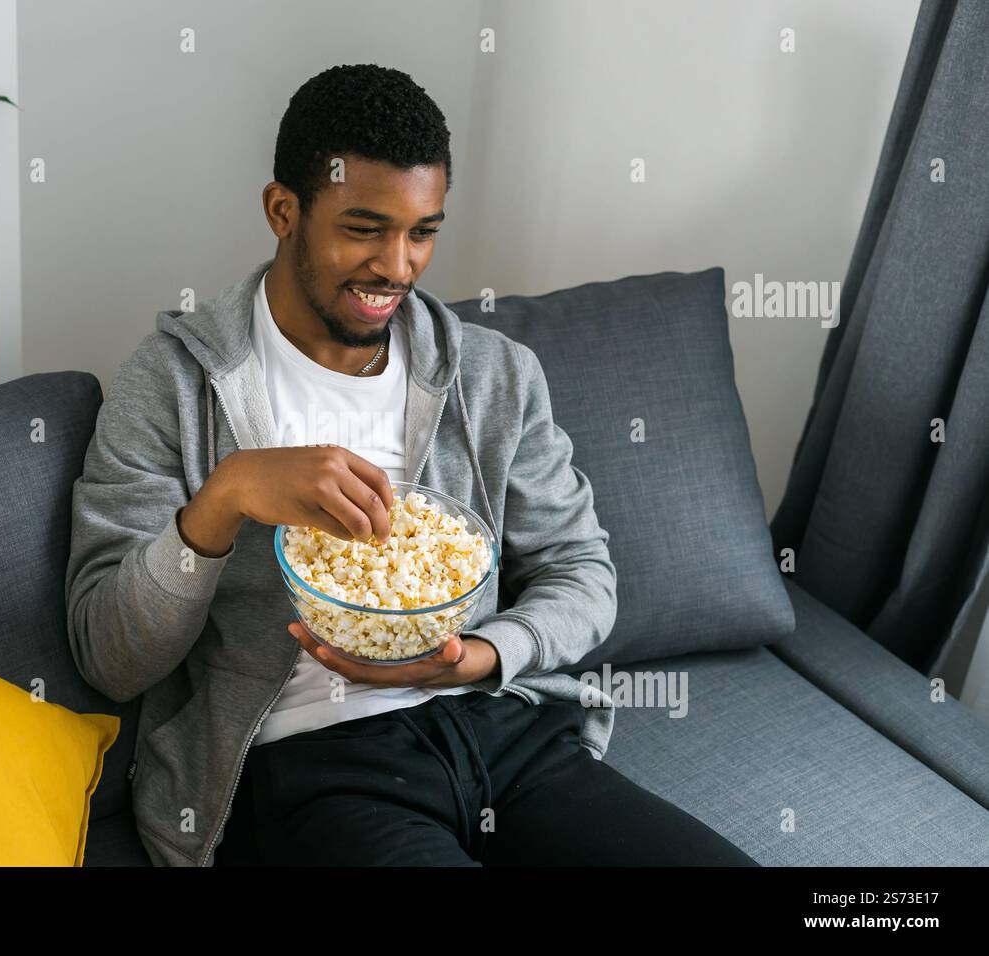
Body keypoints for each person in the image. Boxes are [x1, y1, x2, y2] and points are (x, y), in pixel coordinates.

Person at [65, 63, 758, 867]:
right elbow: (109, 656)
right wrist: (224, 499)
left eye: (422, 231)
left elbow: (582, 571)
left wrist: (483, 655)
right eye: (364, 227)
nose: (397, 266)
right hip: (317, 762)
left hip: (504, 733)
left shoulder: (494, 376)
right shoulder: (173, 383)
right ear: (283, 210)